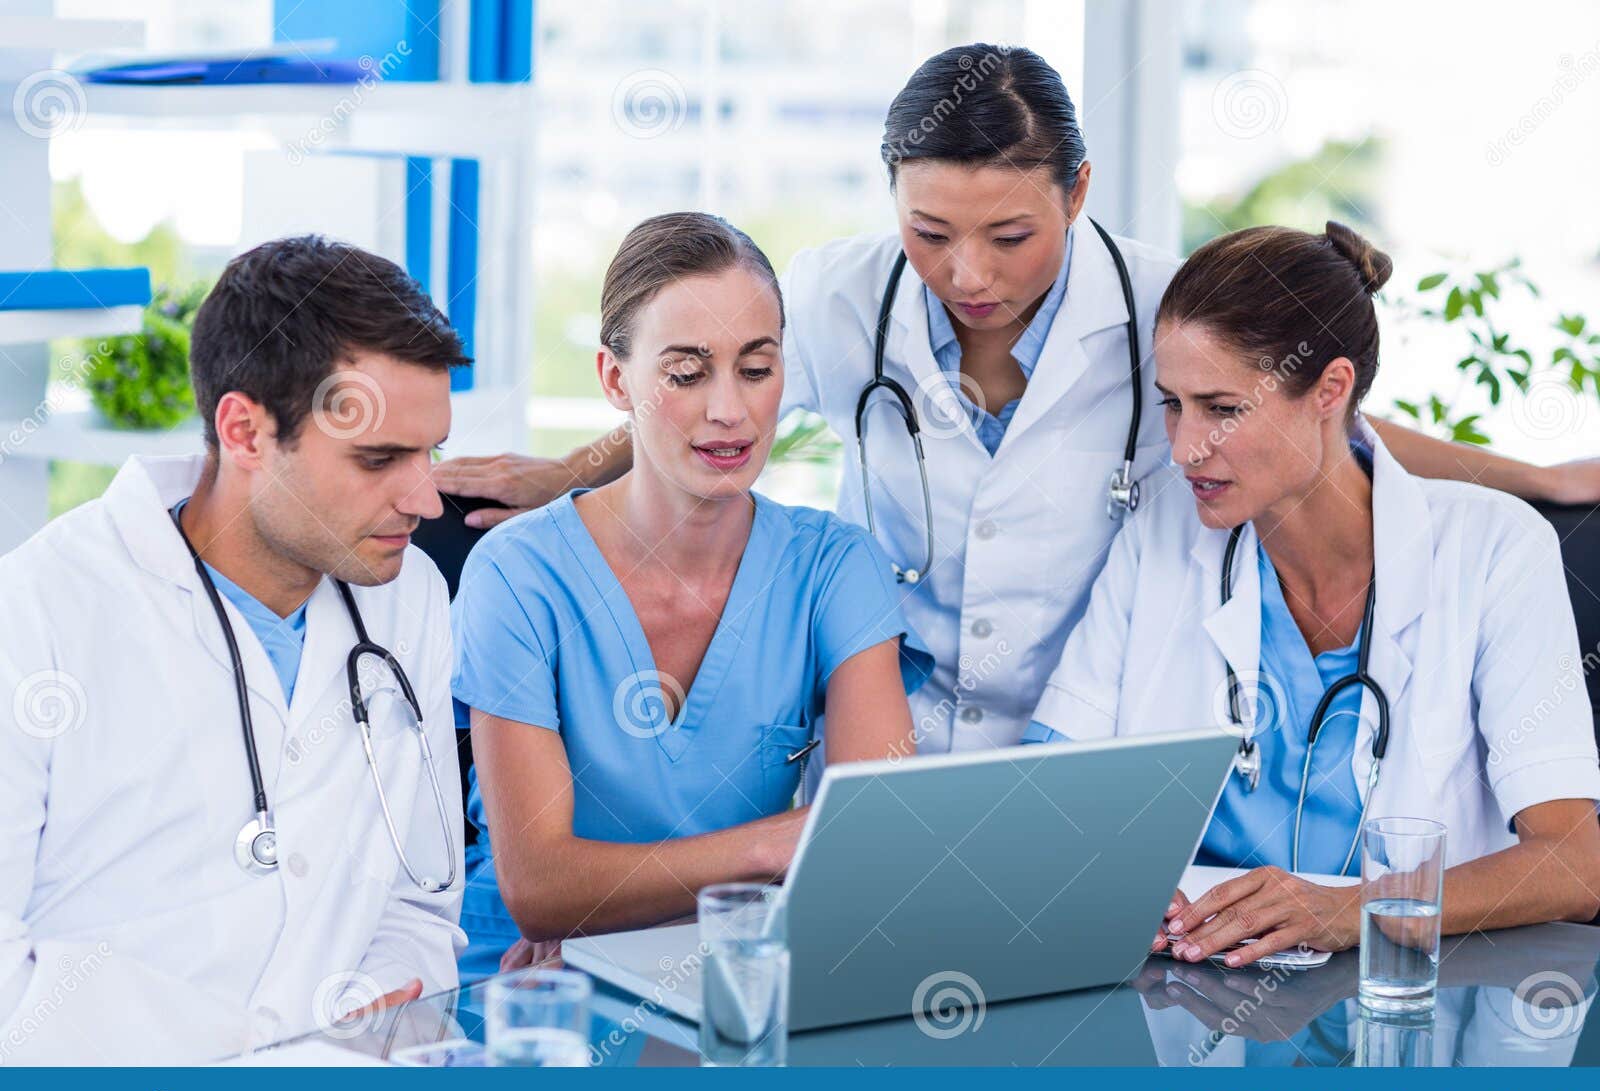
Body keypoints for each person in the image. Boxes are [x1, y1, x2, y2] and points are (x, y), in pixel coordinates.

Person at [435, 43, 1600, 757]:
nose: (970, 276)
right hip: (881, 743)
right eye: (930, 231)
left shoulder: (1158, 308)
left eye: (1010, 234)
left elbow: (1310, 425)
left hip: (1082, 741)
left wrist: (1539, 479)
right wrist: (565, 474)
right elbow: (697, 376)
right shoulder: (845, 293)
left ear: (1078, 189)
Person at [1026, 222, 1600, 967]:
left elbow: (1573, 865)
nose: (1183, 446)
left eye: (1222, 408)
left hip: (1412, 1014)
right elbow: (1042, 798)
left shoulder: (1492, 549)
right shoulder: (1161, 529)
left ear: (1330, 390)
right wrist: (1102, 884)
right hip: (1193, 1004)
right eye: (1172, 403)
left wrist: (1350, 909)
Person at [0, 236, 468, 1064]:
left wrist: (373, 1014)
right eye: (379, 458)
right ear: (245, 430)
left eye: (431, 451)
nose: (425, 496)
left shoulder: (412, 598)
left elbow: (418, 903)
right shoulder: (36, 613)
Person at [451, 213, 931, 978]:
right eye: (686, 372)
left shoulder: (834, 566)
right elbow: (541, 892)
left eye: (756, 367)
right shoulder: (518, 572)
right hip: (532, 983)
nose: (729, 411)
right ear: (617, 380)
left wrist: (609, 894)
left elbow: (873, 844)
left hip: (731, 966)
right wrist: (782, 842)